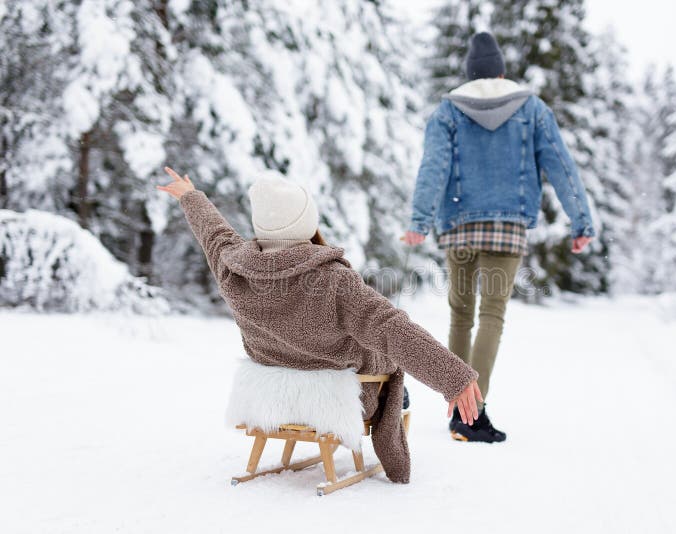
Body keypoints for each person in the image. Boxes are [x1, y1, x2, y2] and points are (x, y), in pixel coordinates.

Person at [157, 167, 482, 484]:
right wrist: (452, 377)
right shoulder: (333, 281)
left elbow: (214, 234)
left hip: (271, 394)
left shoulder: (234, 269)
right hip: (343, 397)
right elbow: (390, 327)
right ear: (305, 223)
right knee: (391, 365)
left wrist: (190, 196)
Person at [405, 32, 595, 443]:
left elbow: (433, 167)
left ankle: (458, 407)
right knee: (492, 315)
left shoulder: (449, 111)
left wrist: (420, 221)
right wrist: (581, 222)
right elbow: (561, 165)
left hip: (458, 225)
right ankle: (472, 415)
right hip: (508, 226)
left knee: (460, 315)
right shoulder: (532, 108)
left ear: (469, 74)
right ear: (503, 72)